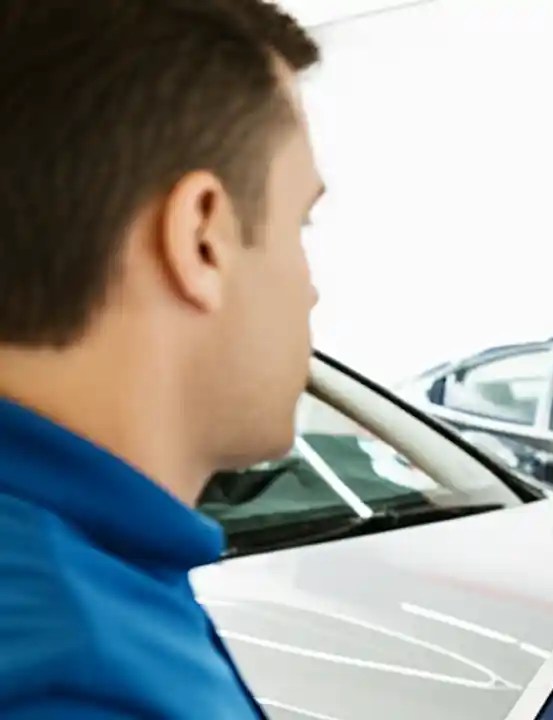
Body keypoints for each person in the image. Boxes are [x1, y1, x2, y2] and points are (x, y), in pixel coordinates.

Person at [0, 0, 323, 716]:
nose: (313, 288)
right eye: (302, 221)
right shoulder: (74, 679)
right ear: (201, 237)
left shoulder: (85, 570)